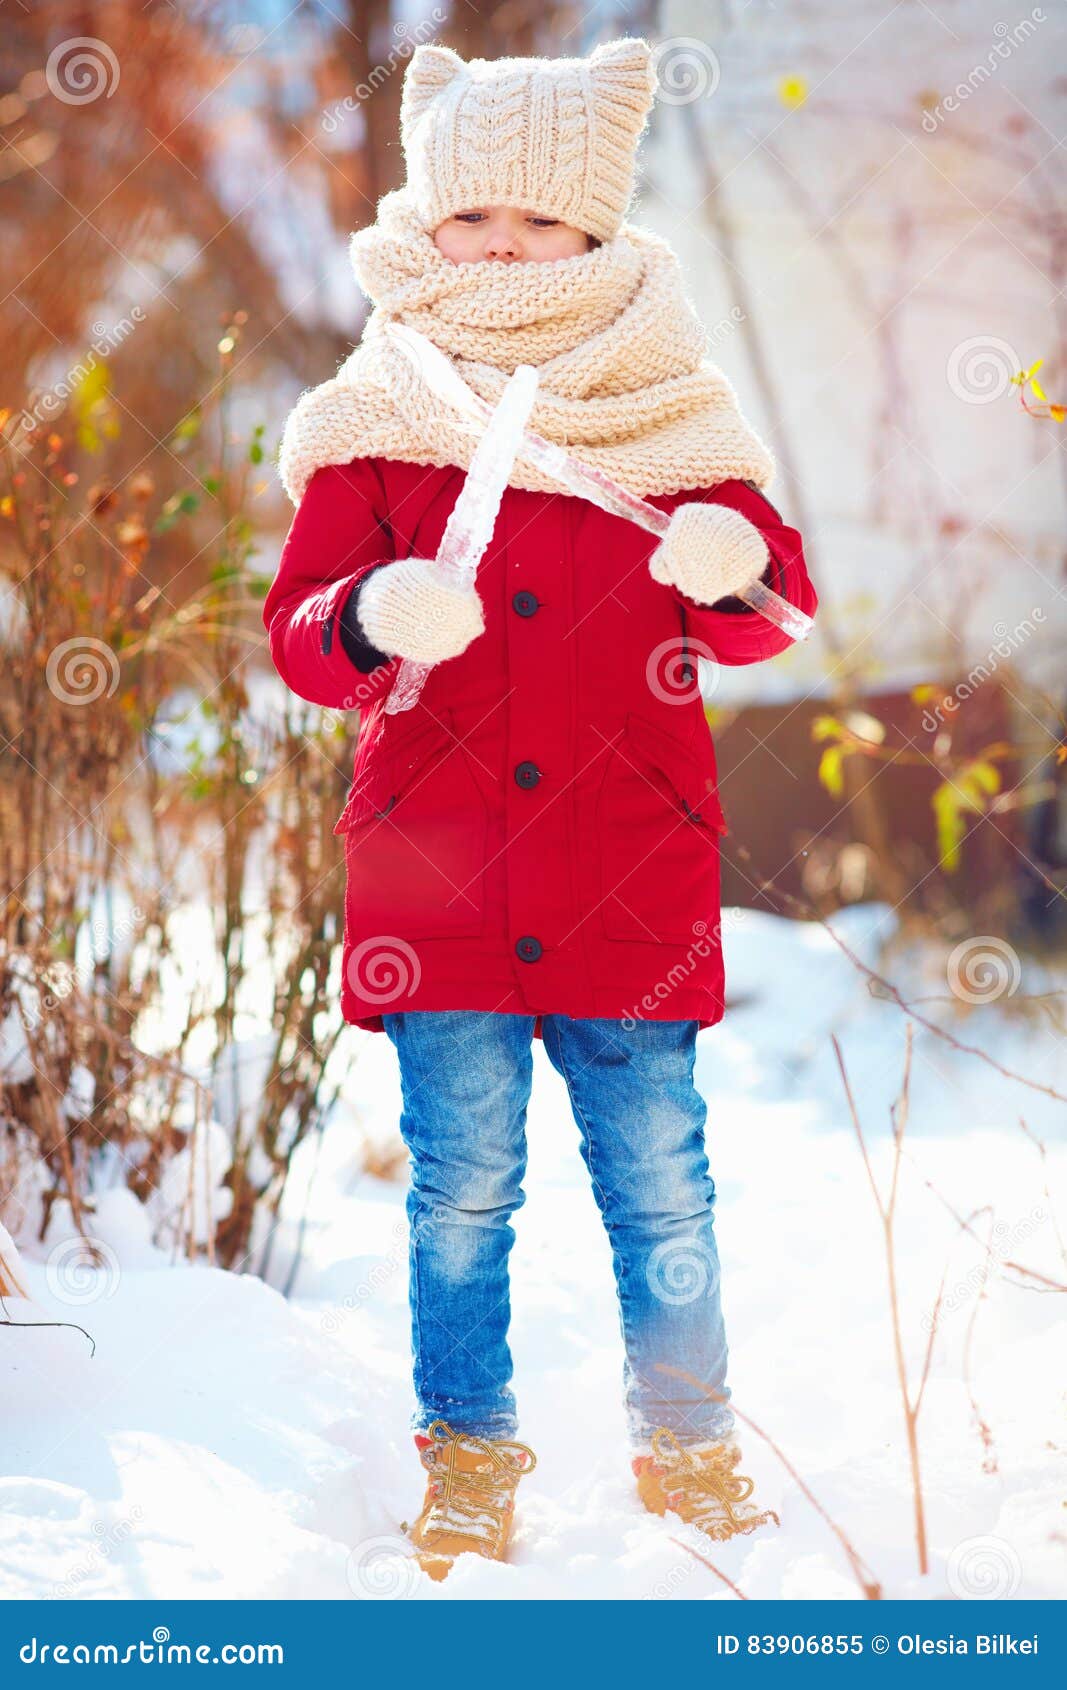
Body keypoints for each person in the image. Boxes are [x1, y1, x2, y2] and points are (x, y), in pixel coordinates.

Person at [263, 36, 818, 1582]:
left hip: (624, 871)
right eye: (472, 218)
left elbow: (774, 605)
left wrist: (732, 568)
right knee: (462, 1190)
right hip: (438, 880)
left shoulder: (669, 393)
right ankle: (467, 1455)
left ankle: (693, 1447)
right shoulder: (380, 399)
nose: (501, 248)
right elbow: (299, 628)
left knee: (660, 1178)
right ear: (429, 219)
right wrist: (370, 608)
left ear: (598, 230)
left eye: (541, 222)